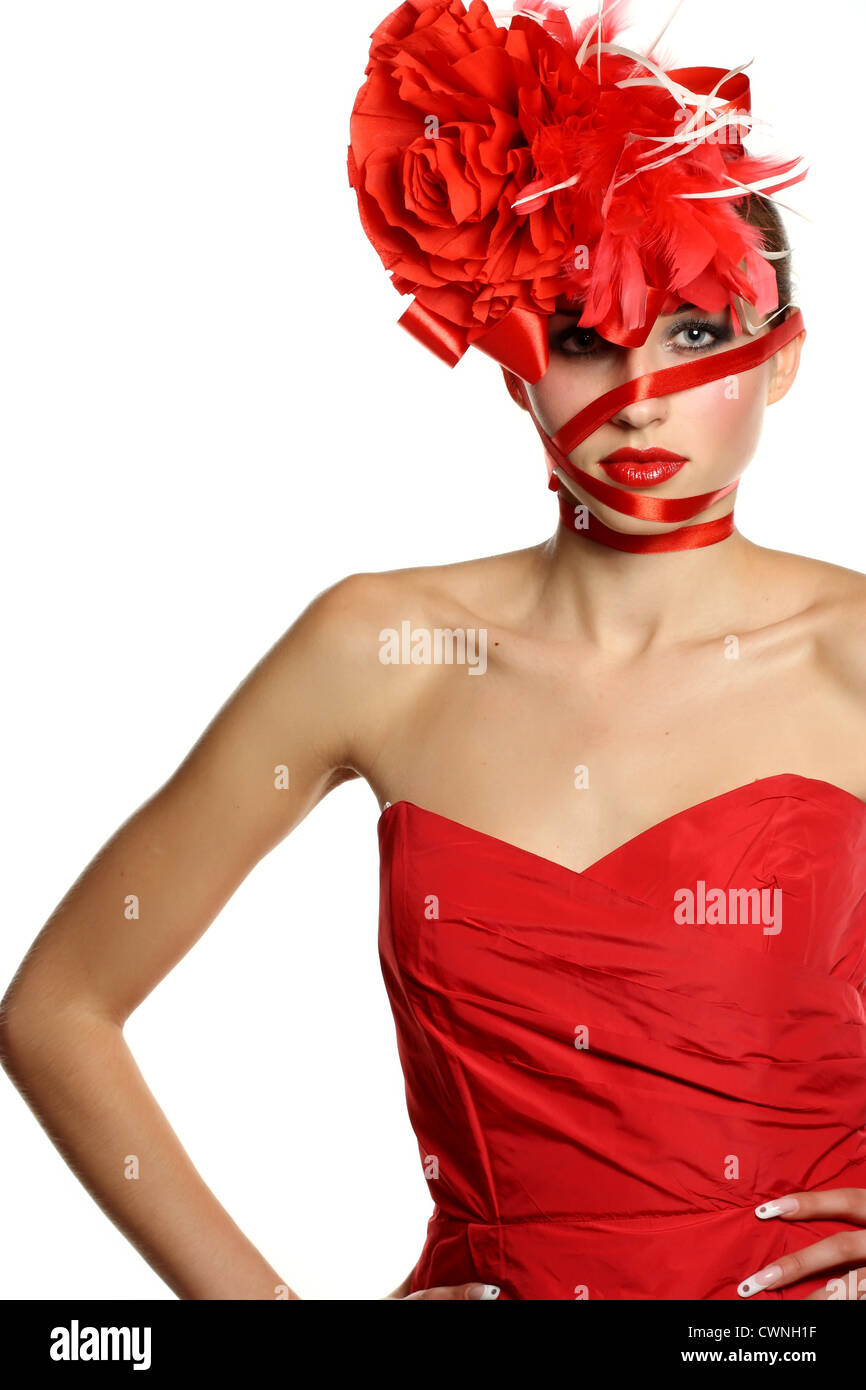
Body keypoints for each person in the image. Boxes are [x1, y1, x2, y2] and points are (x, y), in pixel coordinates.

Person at [2, 0, 865, 1301]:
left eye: (693, 335)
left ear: (780, 360)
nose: (639, 396)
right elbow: (58, 1007)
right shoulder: (376, 646)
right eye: (581, 338)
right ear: (513, 361)